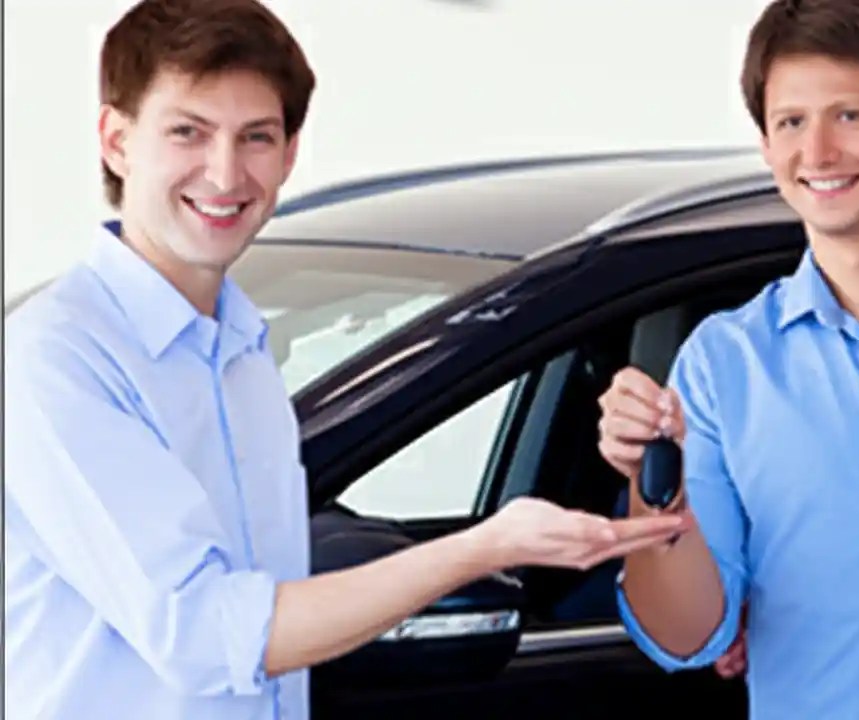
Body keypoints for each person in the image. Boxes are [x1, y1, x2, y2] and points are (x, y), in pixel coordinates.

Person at [3, 1, 686, 718]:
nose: (225, 173)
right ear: (116, 141)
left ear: (289, 153)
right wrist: (482, 548)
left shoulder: (239, 346)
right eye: (188, 133)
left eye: (256, 137)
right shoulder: (60, 360)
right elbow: (208, 634)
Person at [595, 0, 859, 716]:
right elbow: (688, 636)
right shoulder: (723, 364)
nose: (818, 153)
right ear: (766, 142)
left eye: (848, 116)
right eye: (791, 122)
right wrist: (652, 483)